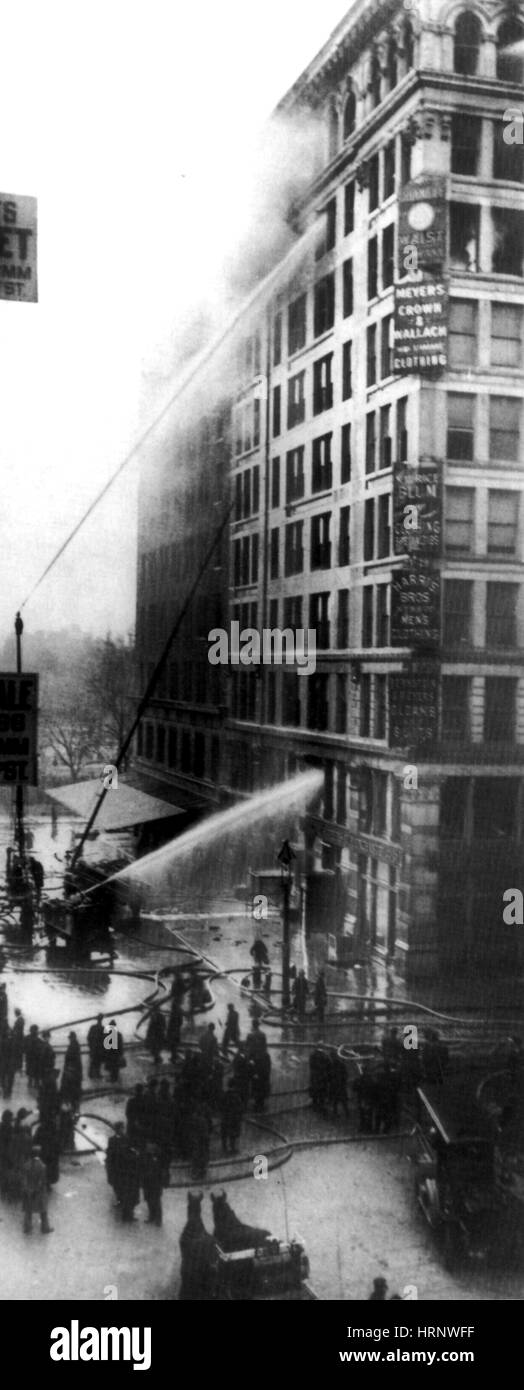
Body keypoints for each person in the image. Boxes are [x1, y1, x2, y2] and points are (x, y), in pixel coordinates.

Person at [21, 1146, 53, 1234]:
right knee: (43, 1210)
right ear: (39, 1154)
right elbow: (41, 1181)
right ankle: (45, 1228)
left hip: (28, 1191)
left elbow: (24, 1179)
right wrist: (37, 1190)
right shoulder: (42, 1166)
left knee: (28, 1210)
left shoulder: (26, 1165)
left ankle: (27, 1228)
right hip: (39, 1193)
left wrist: (27, 1189)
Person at [141, 1143, 164, 1226]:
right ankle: (152, 1216)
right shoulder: (145, 1158)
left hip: (155, 1184)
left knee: (156, 1202)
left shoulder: (158, 1160)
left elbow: (160, 1173)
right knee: (149, 1200)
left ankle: (158, 1219)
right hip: (147, 1183)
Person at [221, 1080, 243, 1155]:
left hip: (225, 1117)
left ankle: (224, 1147)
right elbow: (240, 1108)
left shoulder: (225, 1095)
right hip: (234, 1118)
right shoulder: (236, 1096)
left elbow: (221, 1106)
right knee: (233, 1134)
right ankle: (232, 1148)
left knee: (224, 1132)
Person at [87, 1015, 106, 1079]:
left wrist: (91, 1046)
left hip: (95, 1048)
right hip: (98, 1049)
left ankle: (92, 1074)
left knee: (95, 1062)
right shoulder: (102, 1028)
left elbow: (89, 1037)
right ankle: (95, 1074)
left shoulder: (93, 1027)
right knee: (97, 1062)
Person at [166, 996, 183, 1063]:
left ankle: (174, 1056)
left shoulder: (173, 1012)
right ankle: (174, 1056)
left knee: (173, 1044)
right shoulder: (178, 1011)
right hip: (176, 1030)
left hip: (172, 1030)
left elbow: (171, 1022)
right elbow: (180, 1022)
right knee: (175, 1044)